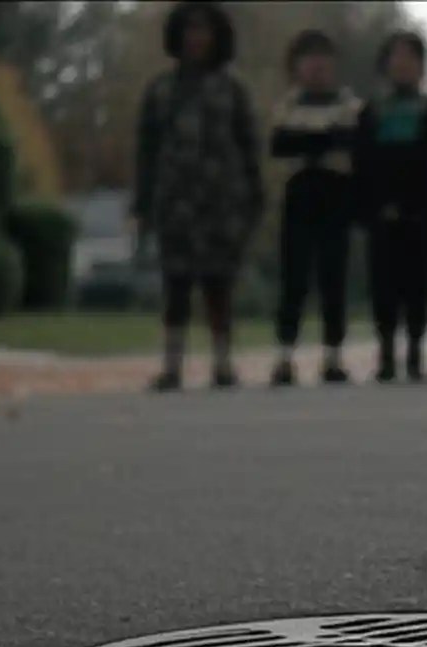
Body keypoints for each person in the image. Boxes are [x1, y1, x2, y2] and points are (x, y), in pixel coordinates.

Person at [132, 1, 263, 392]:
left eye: (204, 30)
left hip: (222, 202)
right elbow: (146, 151)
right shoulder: (160, 90)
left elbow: (249, 145)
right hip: (174, 201)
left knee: (218, 284)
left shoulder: (233, 89)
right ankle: (172, 366)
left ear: (217, 37)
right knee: (175, 284)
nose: (196, 38)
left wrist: (254, 196)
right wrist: (142, 203)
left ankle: (223, 365)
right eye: (190, 30)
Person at [358, 30, 427, 383]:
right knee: (383, 280)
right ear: (385, 65)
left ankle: (415, 351)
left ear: (422, 67)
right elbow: (362, 161)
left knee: (418, 280)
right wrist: (363, 206)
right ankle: (386, 352)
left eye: (410, 58)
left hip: (422, 204)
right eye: (396, 57)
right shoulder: (371, 110)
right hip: (380, 205)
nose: (403, 65)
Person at [268, 30, 365, 387]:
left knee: (333, 277)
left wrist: (309, 141)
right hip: (299, 192)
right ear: (296, 67)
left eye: (323, 58)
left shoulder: (350, 105)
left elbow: (352, 143)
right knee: (293, 276)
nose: (317, 66)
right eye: (308, 59)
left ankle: (333, 356)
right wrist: (326, 138)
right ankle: (284, 355)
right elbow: (280, 145)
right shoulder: (288, 105)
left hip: (336, 192)